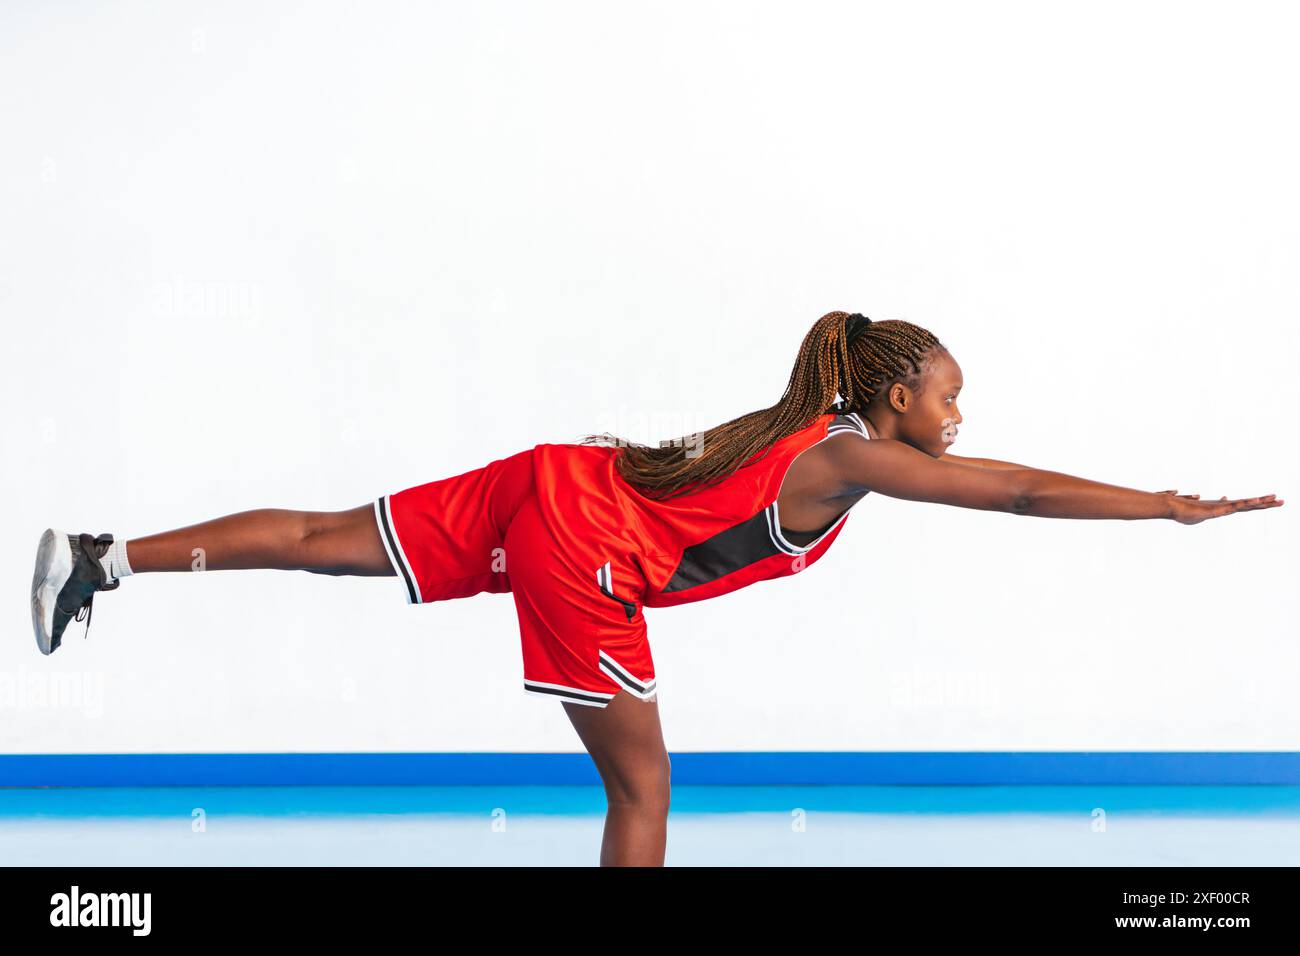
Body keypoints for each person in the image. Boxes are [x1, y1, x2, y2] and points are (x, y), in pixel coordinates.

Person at [29, 310, 1283, 865]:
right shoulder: (848, 452)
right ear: (896, 396)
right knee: (644, 784)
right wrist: (1166, 505)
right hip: (581, 555)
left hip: (550, 482)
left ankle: (102, 557)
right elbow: (1012, 493)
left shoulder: (799, 429)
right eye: (948, 394)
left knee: (321, 536)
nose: (960, 413)